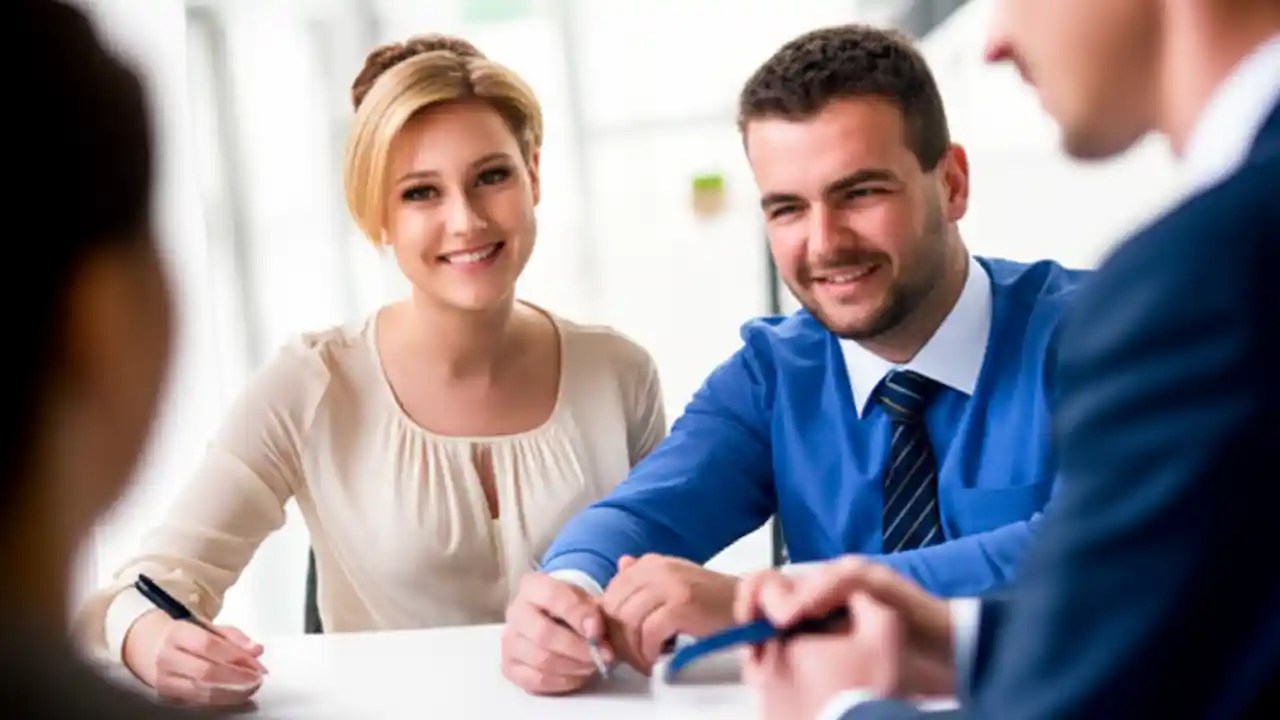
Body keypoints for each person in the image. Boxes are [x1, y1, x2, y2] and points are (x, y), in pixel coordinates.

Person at [74, 33, 665, 707]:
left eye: (492, 177)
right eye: (420, 193)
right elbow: (130, 595)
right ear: (376, 213)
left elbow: (660, 591)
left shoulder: (620, 372)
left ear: (534, 173)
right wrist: (154, 642)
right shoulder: (311, 385)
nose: (465, 220)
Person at [502, 24, 1089, 694]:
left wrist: (768, 599)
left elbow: (1086, 548)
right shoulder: (773, 374)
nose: (825, 243)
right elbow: (640, 515)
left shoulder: (1103, 336)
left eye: (861, 193)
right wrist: (568, 593)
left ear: (952, 184)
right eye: (787, 209)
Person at [738, 0, 1280, 718]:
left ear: (952, 185)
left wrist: (844, 707)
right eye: (786, 208)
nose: (995, 42)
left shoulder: (1202, 281)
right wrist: (964, 639)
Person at [0, 1, 214, 717]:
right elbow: (157, 575)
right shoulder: (316, 375)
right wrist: (142, 628)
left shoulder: (581, 358)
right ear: (103, 327)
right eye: (421, 192)